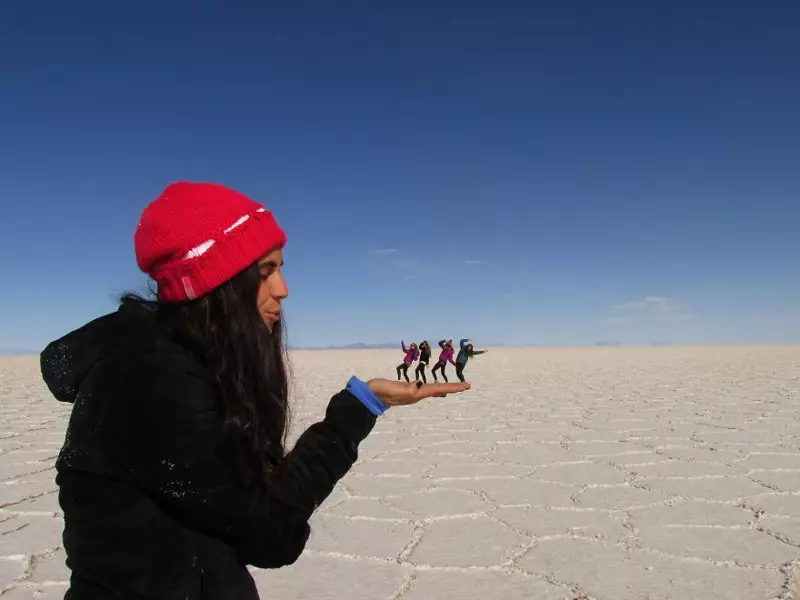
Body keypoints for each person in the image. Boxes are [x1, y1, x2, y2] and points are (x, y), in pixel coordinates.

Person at [38, 181, 470, 600]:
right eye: (267, 271)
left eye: (280, 269)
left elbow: (246, 503)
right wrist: (357, 409)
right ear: (218, 280)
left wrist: (367, 402)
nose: (283, 288)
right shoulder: (152, 384)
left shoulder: (180, 362)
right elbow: (270, 531)